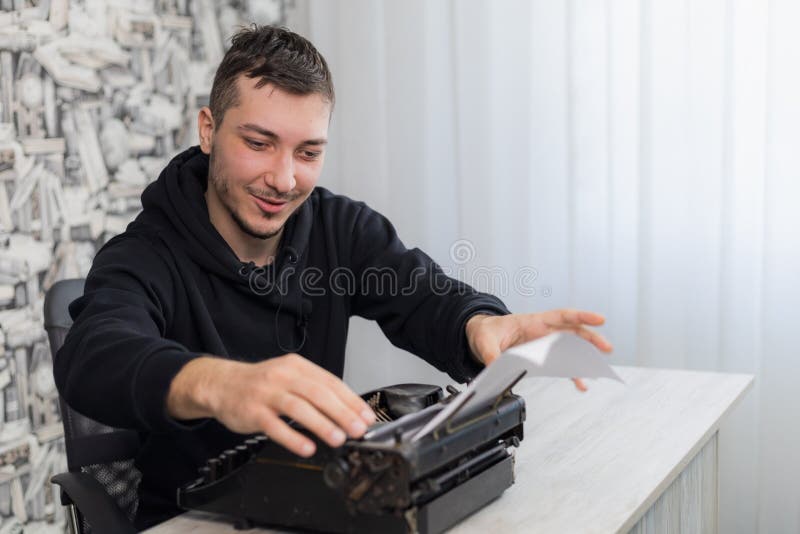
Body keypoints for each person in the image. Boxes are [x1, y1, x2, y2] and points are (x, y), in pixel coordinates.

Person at [53, 25, 612, 529]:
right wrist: (219, 384)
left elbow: (424, 296)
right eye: (258, 143)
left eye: (308, 152)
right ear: (208, 130)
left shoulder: (339, 229)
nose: (284, 179)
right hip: (194, 519)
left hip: (318, 508)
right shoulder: (146, 253)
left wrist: (478, 324)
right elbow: (94, 355)